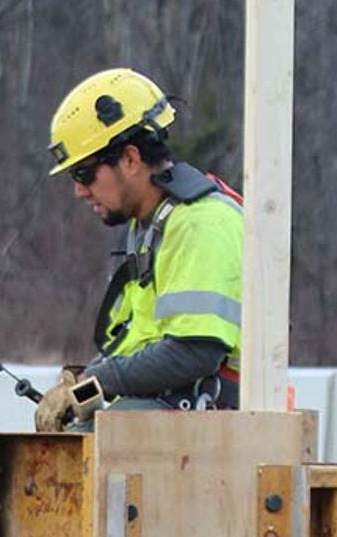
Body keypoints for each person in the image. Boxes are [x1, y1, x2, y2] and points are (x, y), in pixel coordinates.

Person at [36, 67, 243, 431]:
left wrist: (91, 384)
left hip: (209, 428)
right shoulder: (152, 226)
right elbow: (139, 345)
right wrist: (82, 387)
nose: (79, 191)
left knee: (81, 454)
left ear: (130, 159)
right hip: (170, 414)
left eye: (84, 174)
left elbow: (194, 351)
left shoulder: (200, 224)